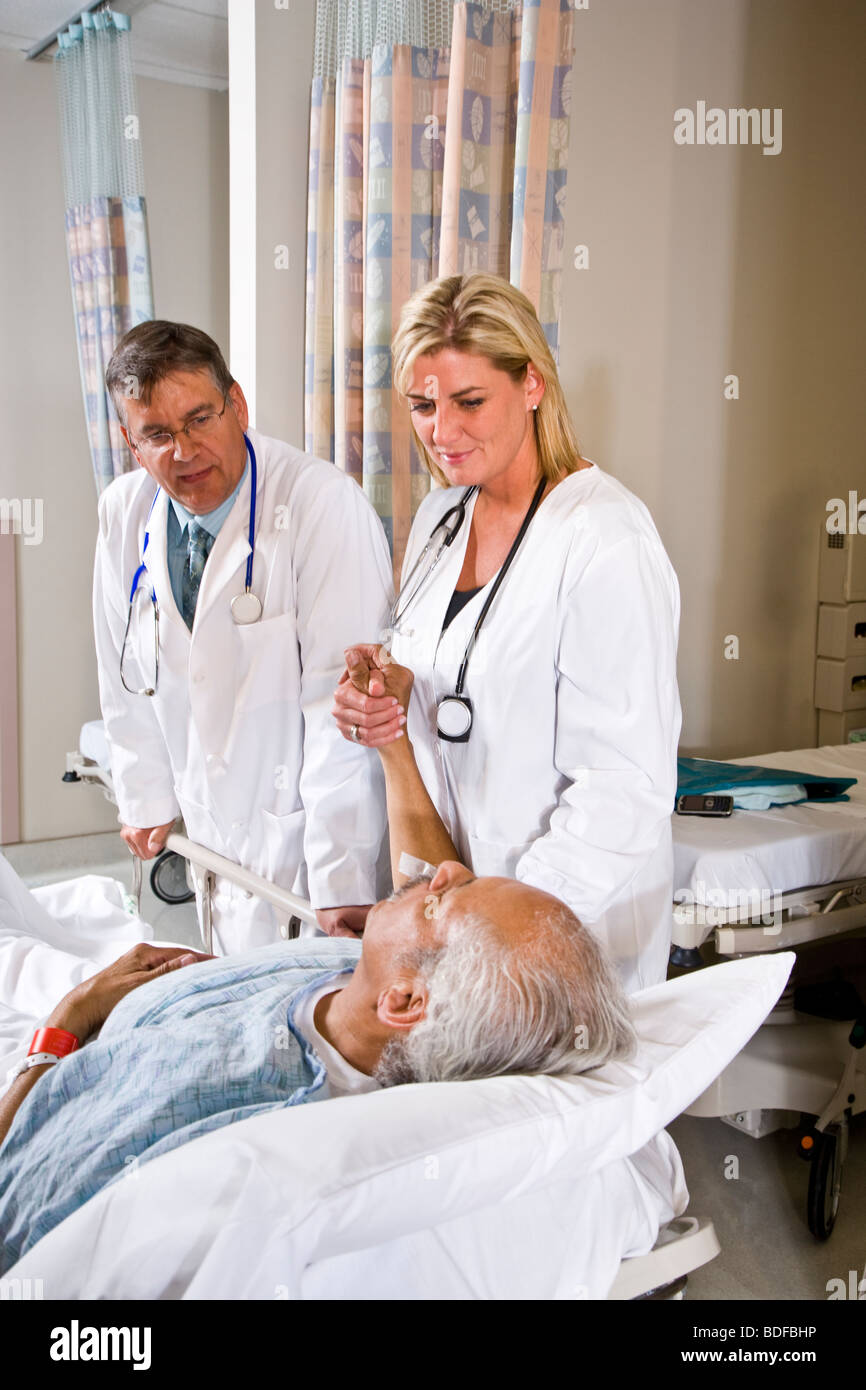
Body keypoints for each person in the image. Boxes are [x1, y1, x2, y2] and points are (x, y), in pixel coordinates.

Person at [0, 672, 633, 1273]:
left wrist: (60, 1027)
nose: (443, 868)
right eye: (467, 875)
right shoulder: (354, 972)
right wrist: (391, 743)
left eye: (443, 898)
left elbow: (22, 1189)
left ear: (407, 1003)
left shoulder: (240, 1118)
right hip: (127, 997)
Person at [332, 273, 681, 993]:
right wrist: (384, 698)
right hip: (453, 910)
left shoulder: (602, 537)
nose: (442, 432)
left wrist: (505, 931)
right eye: (423, 405)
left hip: (558, 930)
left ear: (531, 384)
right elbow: (449, 695)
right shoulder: (441, 521)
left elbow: (623, 785)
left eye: (469, 401)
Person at [94, 321, 394, 953]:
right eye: (157, 435)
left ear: (237, 404)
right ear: (129, 440)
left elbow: (340, 707)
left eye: (200, 418)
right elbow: (120, 665)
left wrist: (344, 875)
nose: (183, 451)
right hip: (212, 847)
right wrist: (144, 792)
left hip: (304, 855)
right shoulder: (126, 512)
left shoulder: (320, 506)